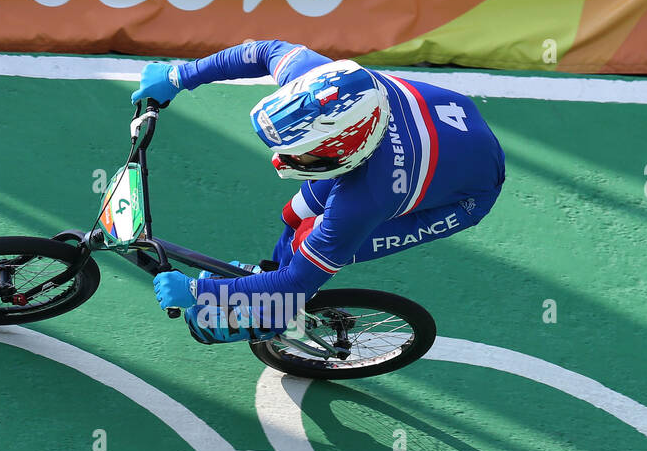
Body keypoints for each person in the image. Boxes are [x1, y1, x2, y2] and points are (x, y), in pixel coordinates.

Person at [134, 40, 505, 343]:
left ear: (344, 150)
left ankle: (274, 316)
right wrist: (178, 75)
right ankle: (264, 282)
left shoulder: (365, 198)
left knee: (310, 244)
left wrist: (201, 294)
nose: (284, 159)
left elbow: (298, 281)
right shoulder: (317, 80)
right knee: (295, 214)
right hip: (440, 137)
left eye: (303, 151)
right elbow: (263, 51)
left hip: (463, 198)